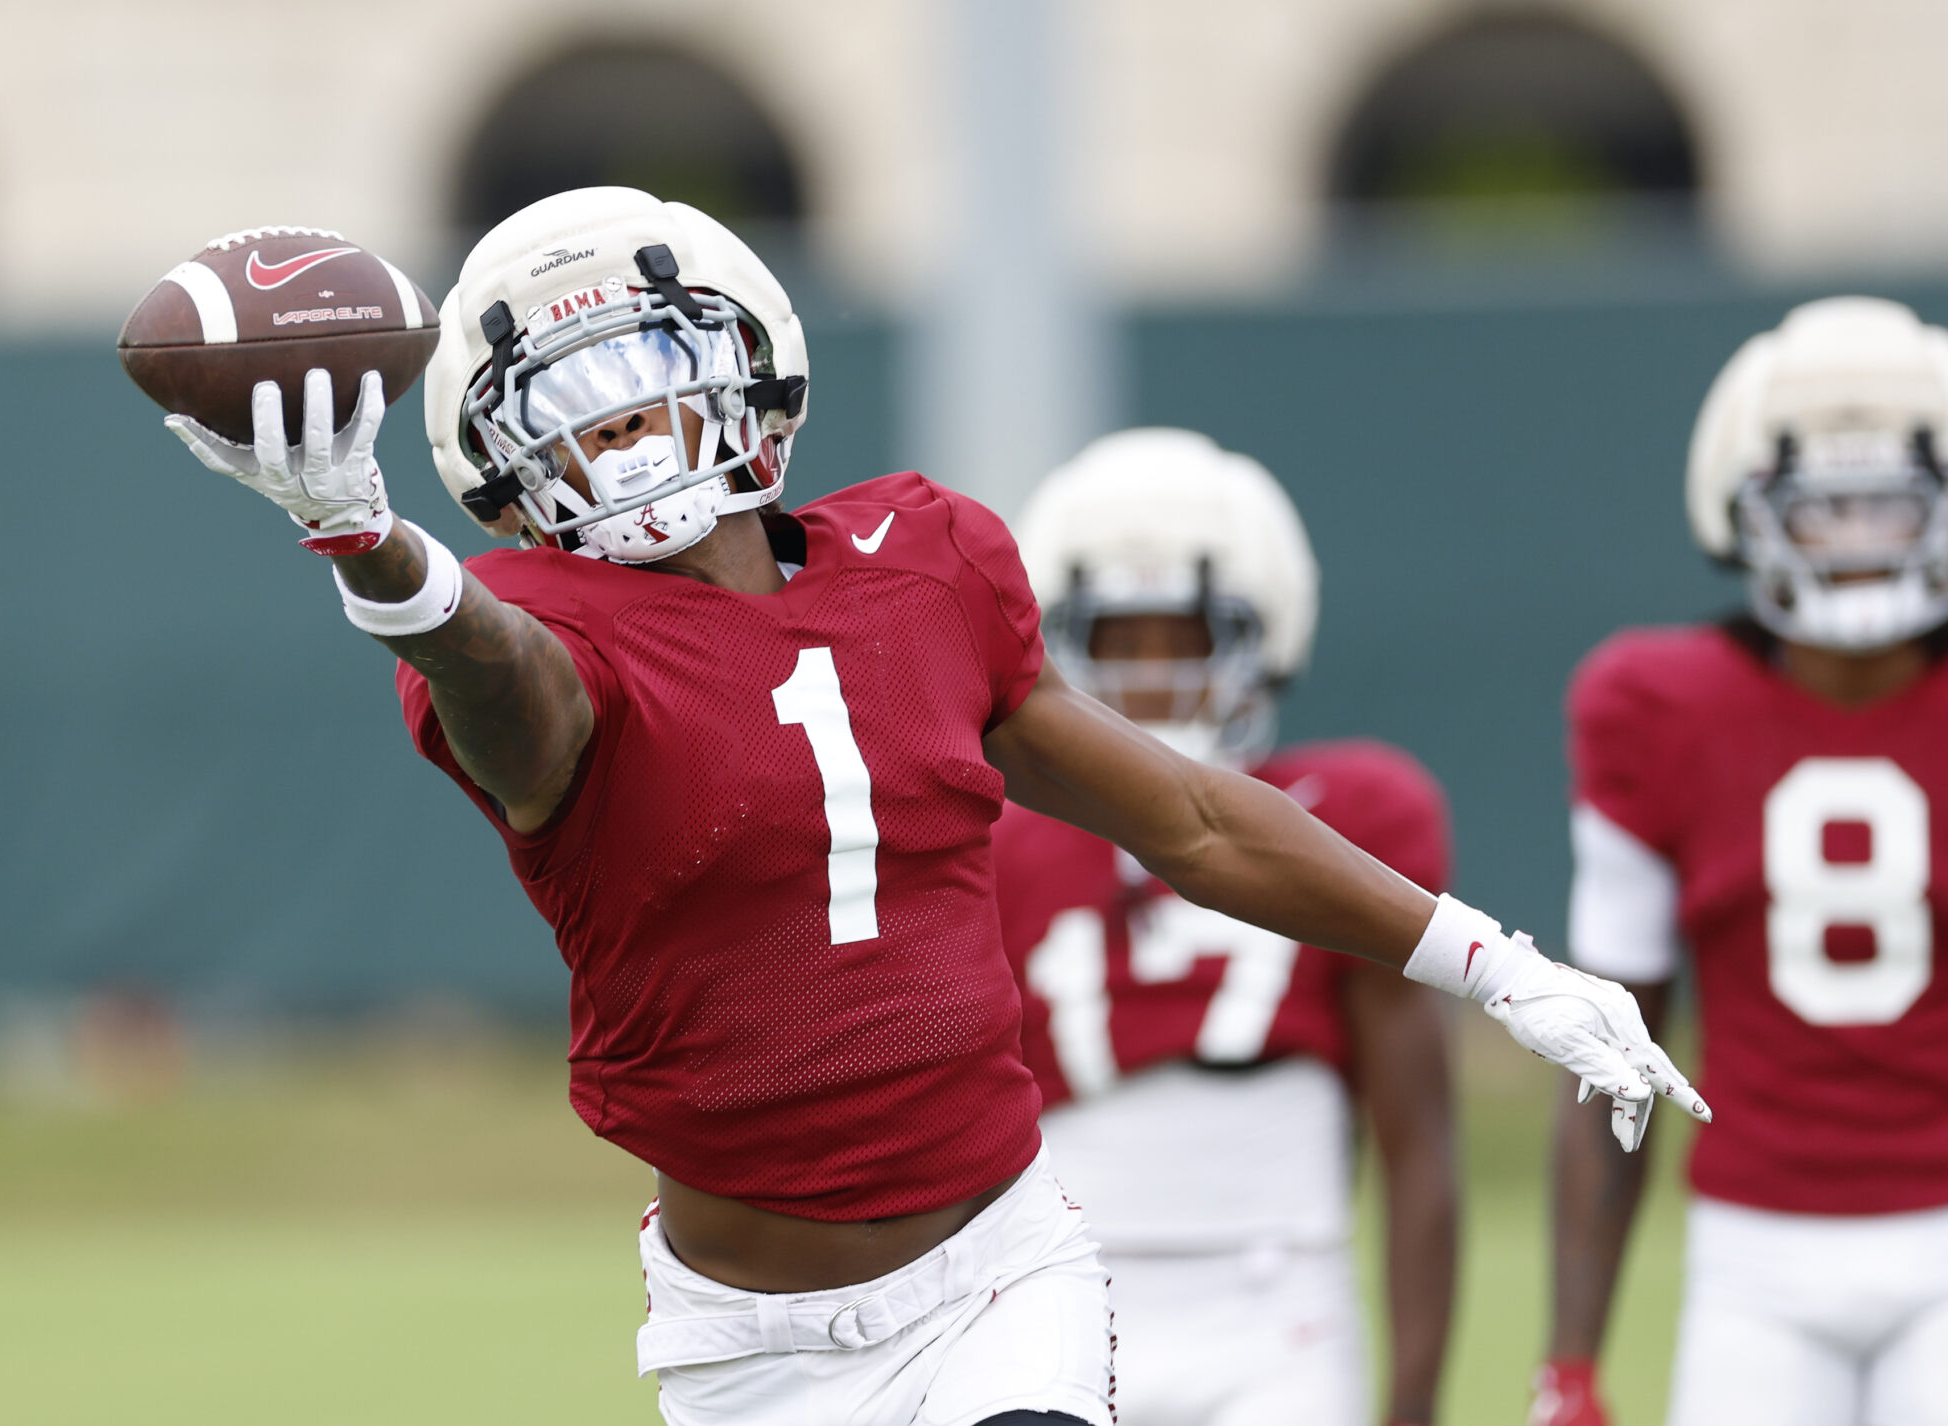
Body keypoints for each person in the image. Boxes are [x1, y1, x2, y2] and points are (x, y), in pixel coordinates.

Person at [162, 185, 1705, 1426]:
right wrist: (374, 548)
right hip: (750, 1342)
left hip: (1000, 1271)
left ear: (752, 370)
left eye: (646, 375)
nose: (620, 428)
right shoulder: (537, 632)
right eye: (568, 408)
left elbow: (1192, 816)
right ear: (503, 473)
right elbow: (513, 690)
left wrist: (1500, 966)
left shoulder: (926, 561)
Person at [1531, 296, 1948, 1426]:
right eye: (1825, 510)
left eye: (1888, 506)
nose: (1857, 542)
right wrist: (1569, 1364)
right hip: (1754, 1255)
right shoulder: (1656, 706)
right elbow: (1611, 1044)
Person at [993, 429, 1457, 1426]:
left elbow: (1420, 1142)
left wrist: (1412, 1406)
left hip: (1278, 1304)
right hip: (1056, 1290)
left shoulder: (1349, 816)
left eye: (1184, 639)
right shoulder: (994, 837)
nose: (1152, 678)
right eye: (1119, 642)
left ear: (1261, 639)